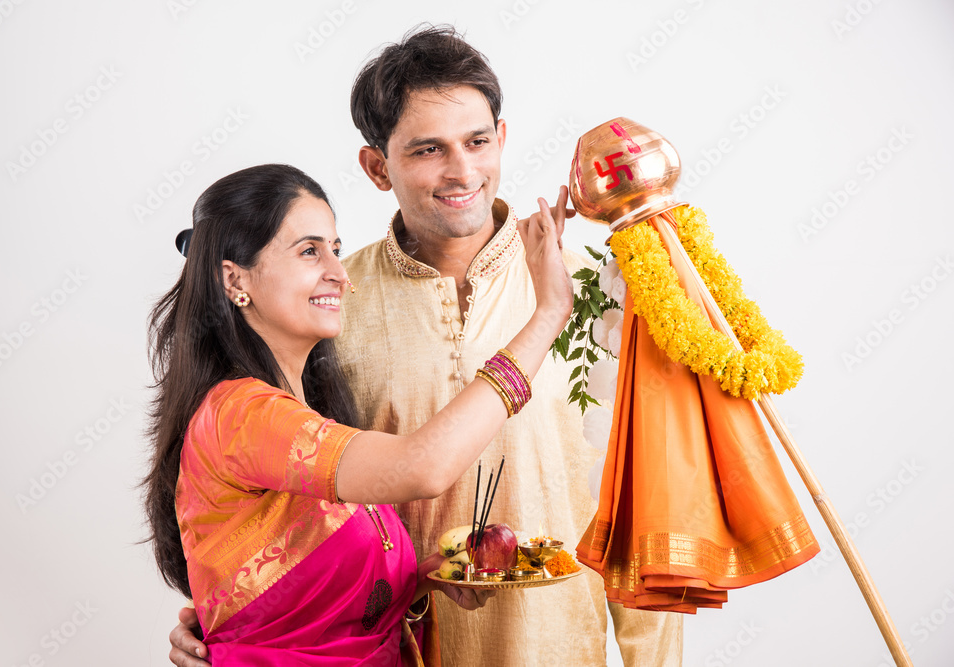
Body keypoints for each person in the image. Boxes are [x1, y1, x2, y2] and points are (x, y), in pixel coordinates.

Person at [168, 26, 683, 666]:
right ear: (377, 167)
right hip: (405, 650)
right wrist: (233, 622)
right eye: (428, 150)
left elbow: (638, 493)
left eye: (477, 141)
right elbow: (289, 507)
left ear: (503, 137)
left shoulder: (586, 284)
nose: (462, 171)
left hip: (561, 646)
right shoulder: (328, 307)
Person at [145, 162, 574, 665]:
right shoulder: (241, 414)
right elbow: (422, 468)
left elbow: (315, 606)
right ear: (234, 278)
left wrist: (417, 580)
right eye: (309, 251)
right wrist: (547, 316)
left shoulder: (309, 412)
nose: (339, 274)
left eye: (336, 249)